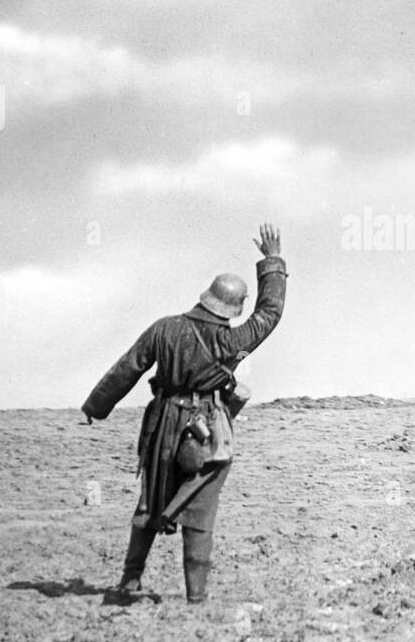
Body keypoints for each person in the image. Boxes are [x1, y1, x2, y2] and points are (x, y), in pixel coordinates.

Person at [81, 224, 287, 601]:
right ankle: (195, 597)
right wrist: (271, 261)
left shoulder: (164, 328)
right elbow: (269, 313)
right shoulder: (232, 341)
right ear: (234, 308)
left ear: (207, 296)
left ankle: (130, 580)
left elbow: (129, 366)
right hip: (208, 430)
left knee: (150, 500)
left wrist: (97, 406)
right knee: (200, 511)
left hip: (162, 427)